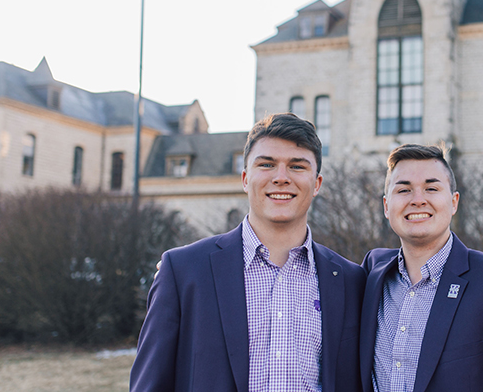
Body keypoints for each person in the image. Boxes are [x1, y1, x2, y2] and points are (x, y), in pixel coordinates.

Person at [130, 113, 365, 392]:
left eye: (297, 166)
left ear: (317, 184)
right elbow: (150, 384)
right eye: (266, 164)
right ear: (244, 178)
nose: (281, 177)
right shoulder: (184, 270)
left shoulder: (351, 281)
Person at [359, 144, 483, 392]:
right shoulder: (372, 274)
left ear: (453, 202)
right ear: (387, 206)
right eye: (404, 189)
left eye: (431, 188)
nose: (417, 200)